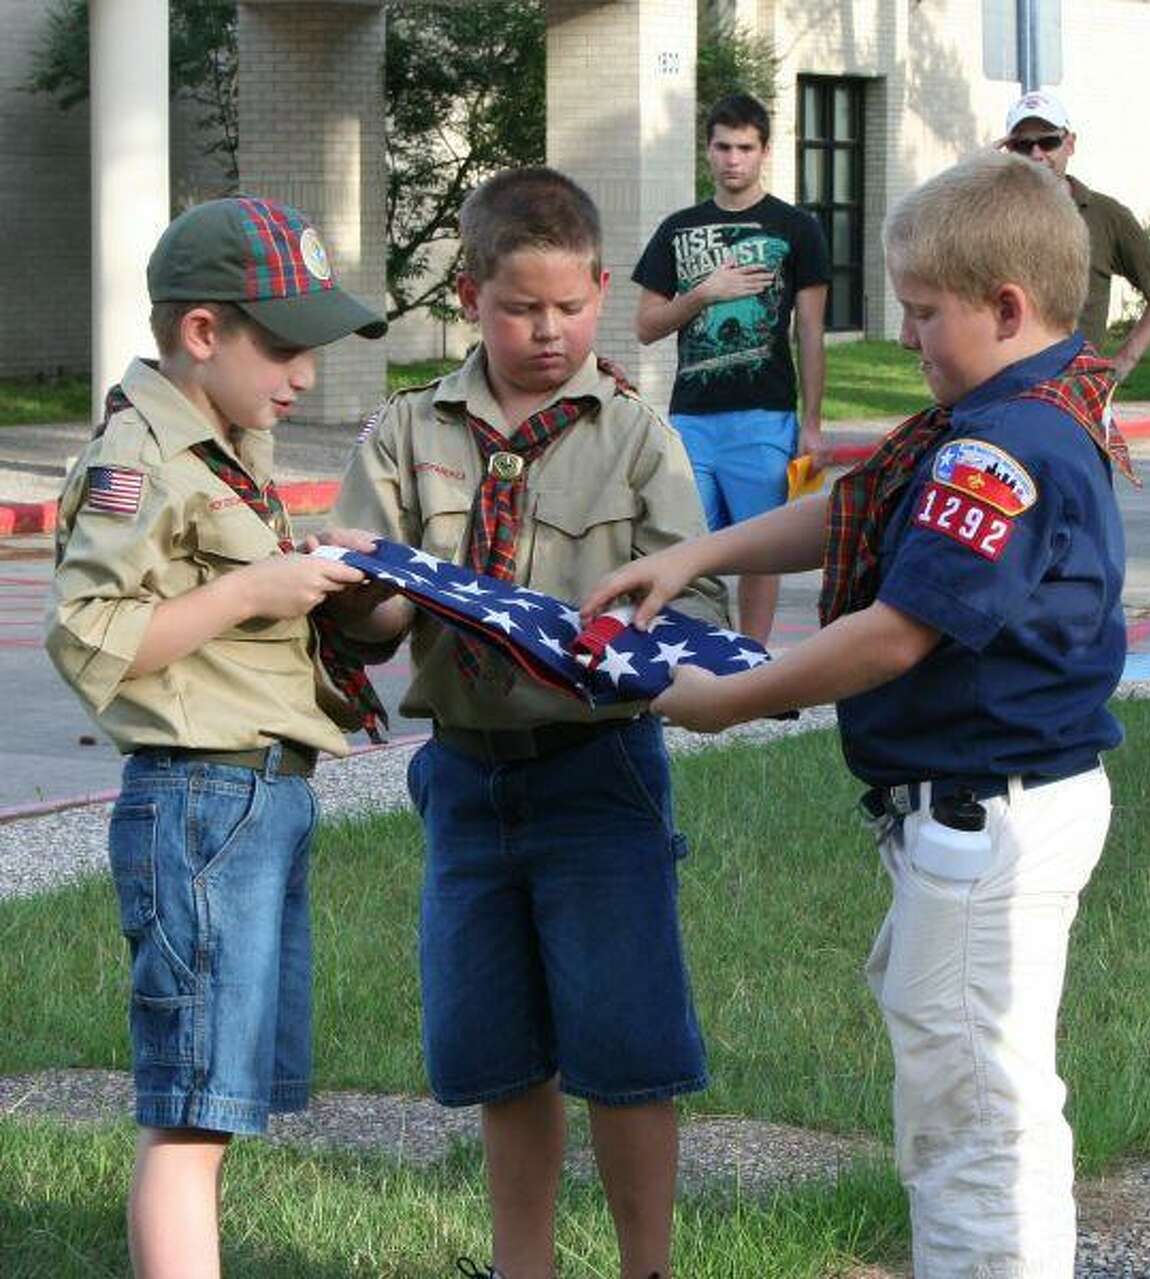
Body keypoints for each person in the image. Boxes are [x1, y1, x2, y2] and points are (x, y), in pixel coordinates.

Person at [584, 149, 1134, 1277]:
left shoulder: (1004, 446)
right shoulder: (1006, 407)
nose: (910, 338)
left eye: (925, 314)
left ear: (1008, 306)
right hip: (989, 811)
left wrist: (732, 701)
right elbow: (857, 510)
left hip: (991, 821)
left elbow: (895, 631)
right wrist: (694, 552)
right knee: (984, 1097)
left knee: (971, 1118)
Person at [321, 167, 727, 1279]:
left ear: (602, 288)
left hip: (599, 771)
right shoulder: (409, 433)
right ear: (469, 294)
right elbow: (373, 607)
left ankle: (648, 1265)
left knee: (628, 1042)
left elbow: (697, 605)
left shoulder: (639, 438)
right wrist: (368, 599)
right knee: (499, 1049)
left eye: (568, 307)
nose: (547, 332)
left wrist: (609, 645)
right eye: (518, 308)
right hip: (466, 778)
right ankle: (523, 1267)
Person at [45, 195, 387, 1279]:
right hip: (201, 799)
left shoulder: (227, 447)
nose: (302, 374)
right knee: (190, 1111)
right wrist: (254, 588)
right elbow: (93, 632)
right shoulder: (138, 459)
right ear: (203, 333)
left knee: (217, 1102)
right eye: (283, 347)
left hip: (256, 795)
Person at [633, 91, 830, 644]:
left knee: (759, 549)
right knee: (685, 544)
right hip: (692, 417)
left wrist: (810, 424)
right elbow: (646, 326)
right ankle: (688, 654)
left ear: (764, 150)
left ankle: (751, 660)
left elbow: (811, 333)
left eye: (745, 147)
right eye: (723, 147)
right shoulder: (678, 228)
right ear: (708, 151)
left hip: (766, 414)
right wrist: (704, 292)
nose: (733, 159)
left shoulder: (797, 228)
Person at [1001, 89, 1150, 380]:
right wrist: (978, 168)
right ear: (1008, 153)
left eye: (1049, 141)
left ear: (1069, 144)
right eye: (1022, 146)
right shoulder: (990, 217)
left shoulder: (1105, 214)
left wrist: (1124, 362)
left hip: (1078, 393)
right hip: (1006, 387)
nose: (1036, 154)